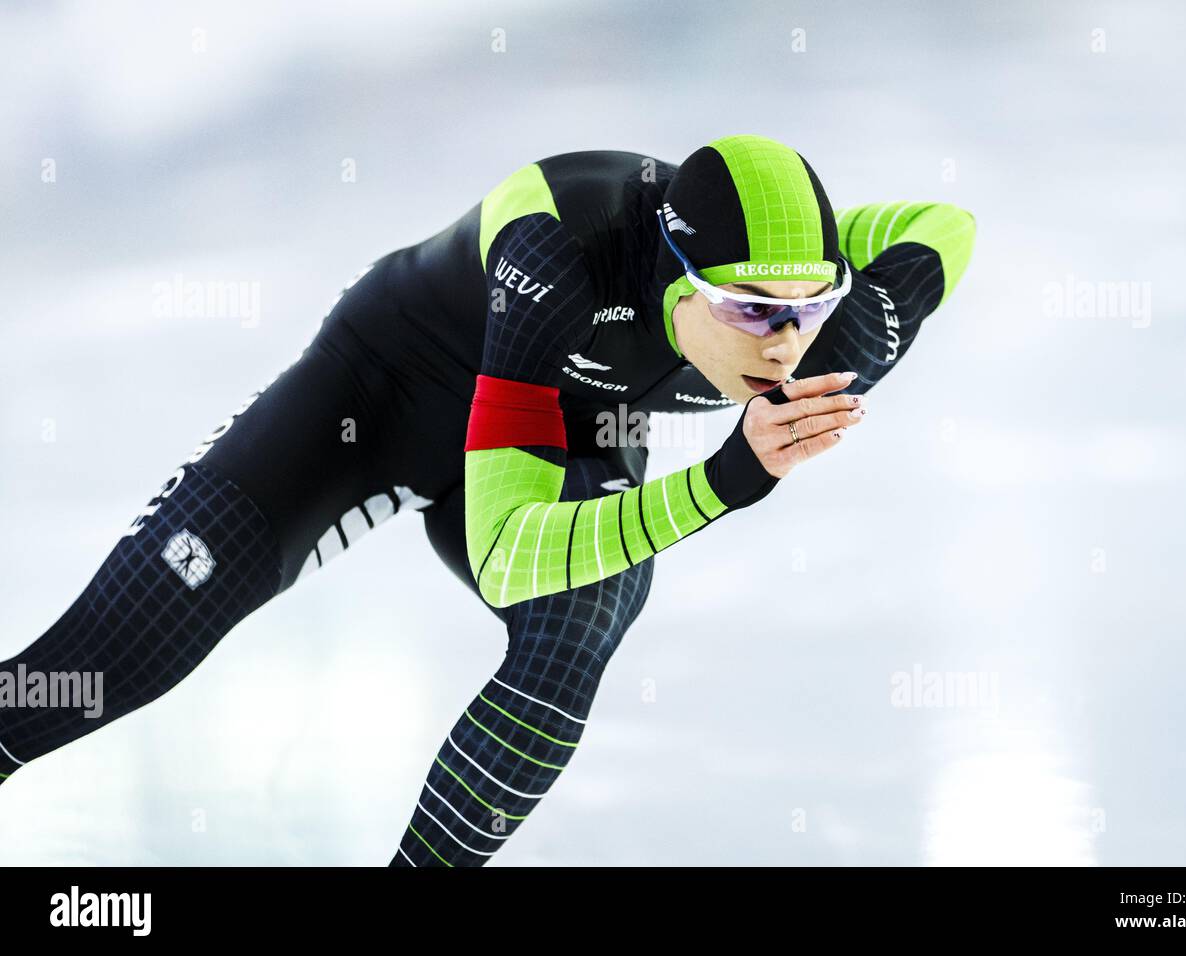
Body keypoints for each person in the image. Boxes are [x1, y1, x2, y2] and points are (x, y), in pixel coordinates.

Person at [0, 134, 976, 866]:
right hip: (385, 395)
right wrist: (729, 478)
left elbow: (948, 226)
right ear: (678, 283)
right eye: (754, 310)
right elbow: (506, 546)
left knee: (587, 615)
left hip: (571, 429)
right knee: (108, 659)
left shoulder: (812, 318)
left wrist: (845, 341)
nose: (784, 344)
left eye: (806, 306)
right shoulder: (557, 249)